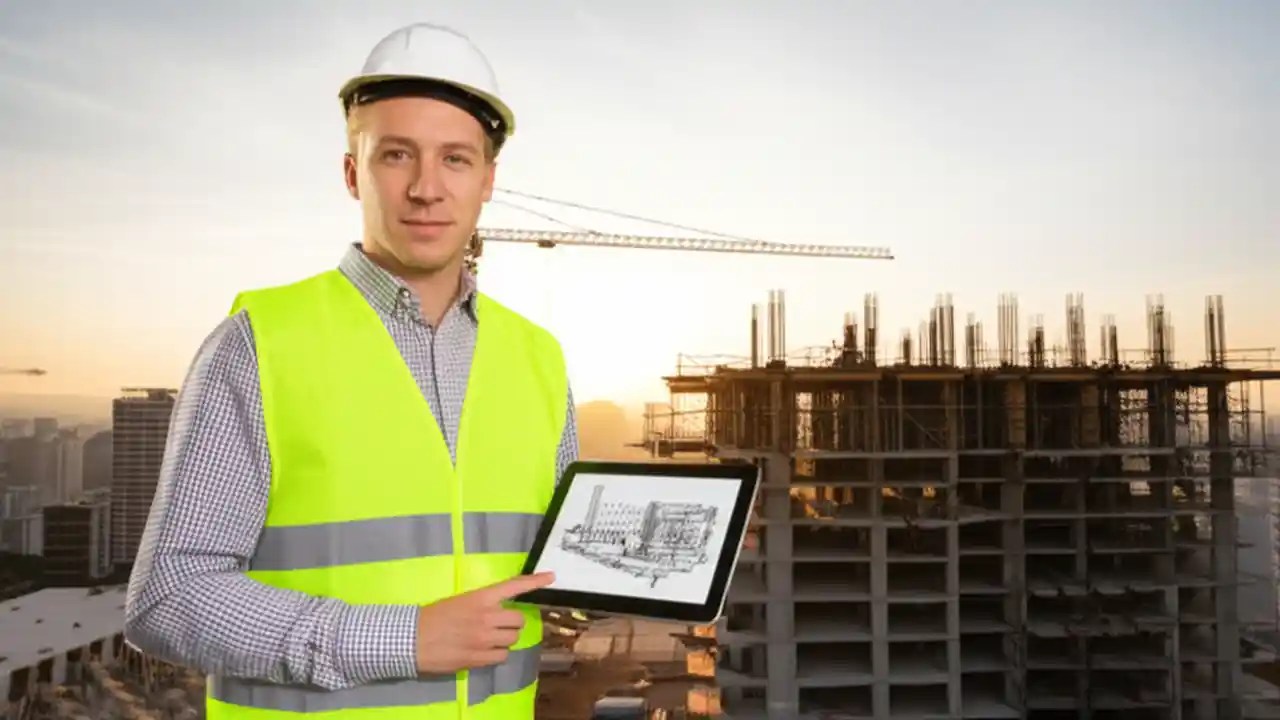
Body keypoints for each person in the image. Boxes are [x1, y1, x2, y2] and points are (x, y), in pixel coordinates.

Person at [123, 22, 577, 719]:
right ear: (351, 173)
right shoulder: (260, 344)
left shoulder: (538, 357)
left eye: (456, 159)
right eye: (396, 155)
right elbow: (169, 597)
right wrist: (402, 639)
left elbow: (553, 569)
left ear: (488, 181)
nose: (427, 188)